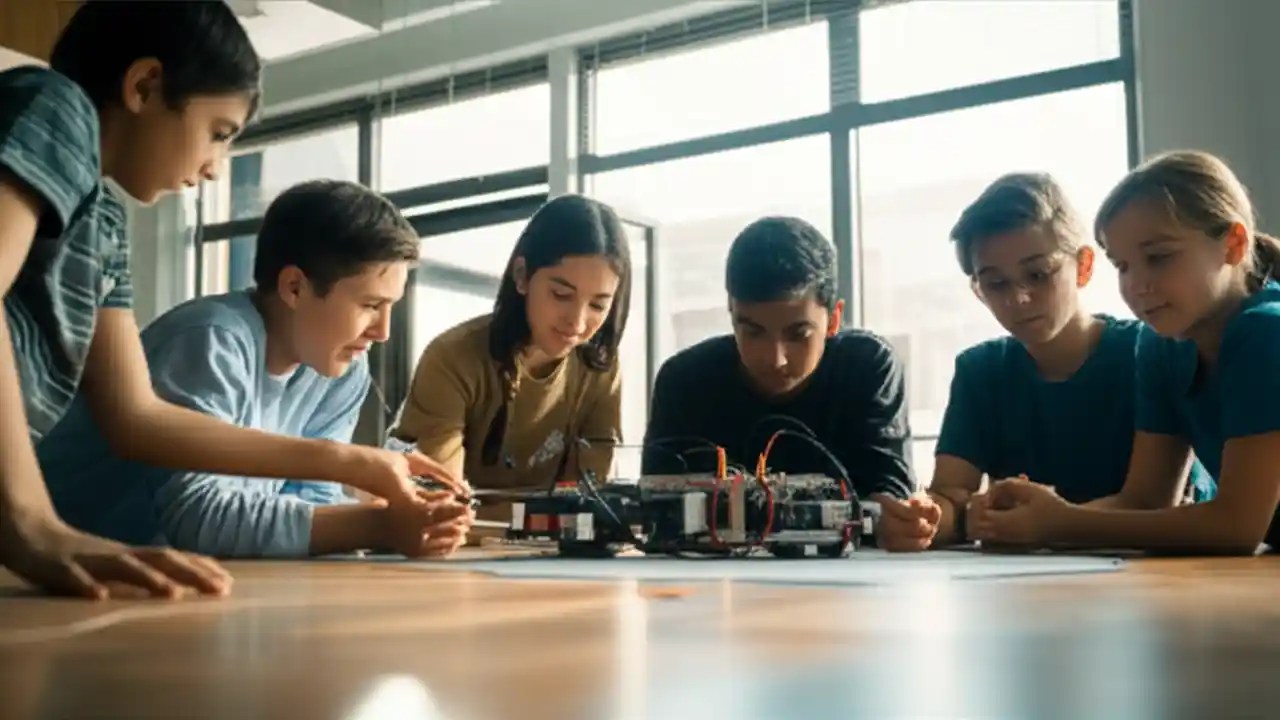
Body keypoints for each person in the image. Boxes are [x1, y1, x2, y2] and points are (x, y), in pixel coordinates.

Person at [0, 1, 455, 600]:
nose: (217, 169)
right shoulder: (53, 105)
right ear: (144, 86)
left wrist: (351, 462)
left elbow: (138, 419)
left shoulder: (105, 224)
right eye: (219, 133)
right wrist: (31, 523)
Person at [39, 180, 472, 559]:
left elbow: (311, 502)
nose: (383, 333)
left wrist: (406, 519)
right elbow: (196, 519)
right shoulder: (211, 340)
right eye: (370, 305)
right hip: (43, 574)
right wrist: (378, 526)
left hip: (158, 580)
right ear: (295, 287)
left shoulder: (341, 373)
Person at [878, 173, 1210, 552]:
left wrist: (1042, 525)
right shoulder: (981, 370)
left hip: (1176, 572)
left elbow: (1152, 503)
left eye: (1038, 275)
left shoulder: (1151, 351)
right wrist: (923, 520)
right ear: (978, 291)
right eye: (996, 284)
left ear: (1084, 266)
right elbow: (952, 495)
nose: (1019, 298)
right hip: (1033, 583)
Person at [974, 151, 1280, 554]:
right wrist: (1030, 524)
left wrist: (1060, 522)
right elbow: (1145, 500)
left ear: (1233, 245)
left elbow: (1237, 527)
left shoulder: (1266, 331)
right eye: (1122, 266)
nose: (1137, 285)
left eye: (1158, 257)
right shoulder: (1160, 343)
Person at [642, 216, 915, 527]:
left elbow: (891, 499)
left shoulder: (868, 367)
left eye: (798, 334)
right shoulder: (683, 382)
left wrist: (902, 521)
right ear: (731, 312)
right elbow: (655, 510)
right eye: (754, 332)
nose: (776, 359)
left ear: (834, 319)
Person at [389, 194, 630, 520]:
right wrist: (543, 516)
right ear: (522, 275)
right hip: (449, 552)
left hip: (549, 556)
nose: (577, 321)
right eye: (561, 295)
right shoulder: (454, 358)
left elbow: (585, 506)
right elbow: (441, 507)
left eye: (598, 305)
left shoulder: (599, 368)